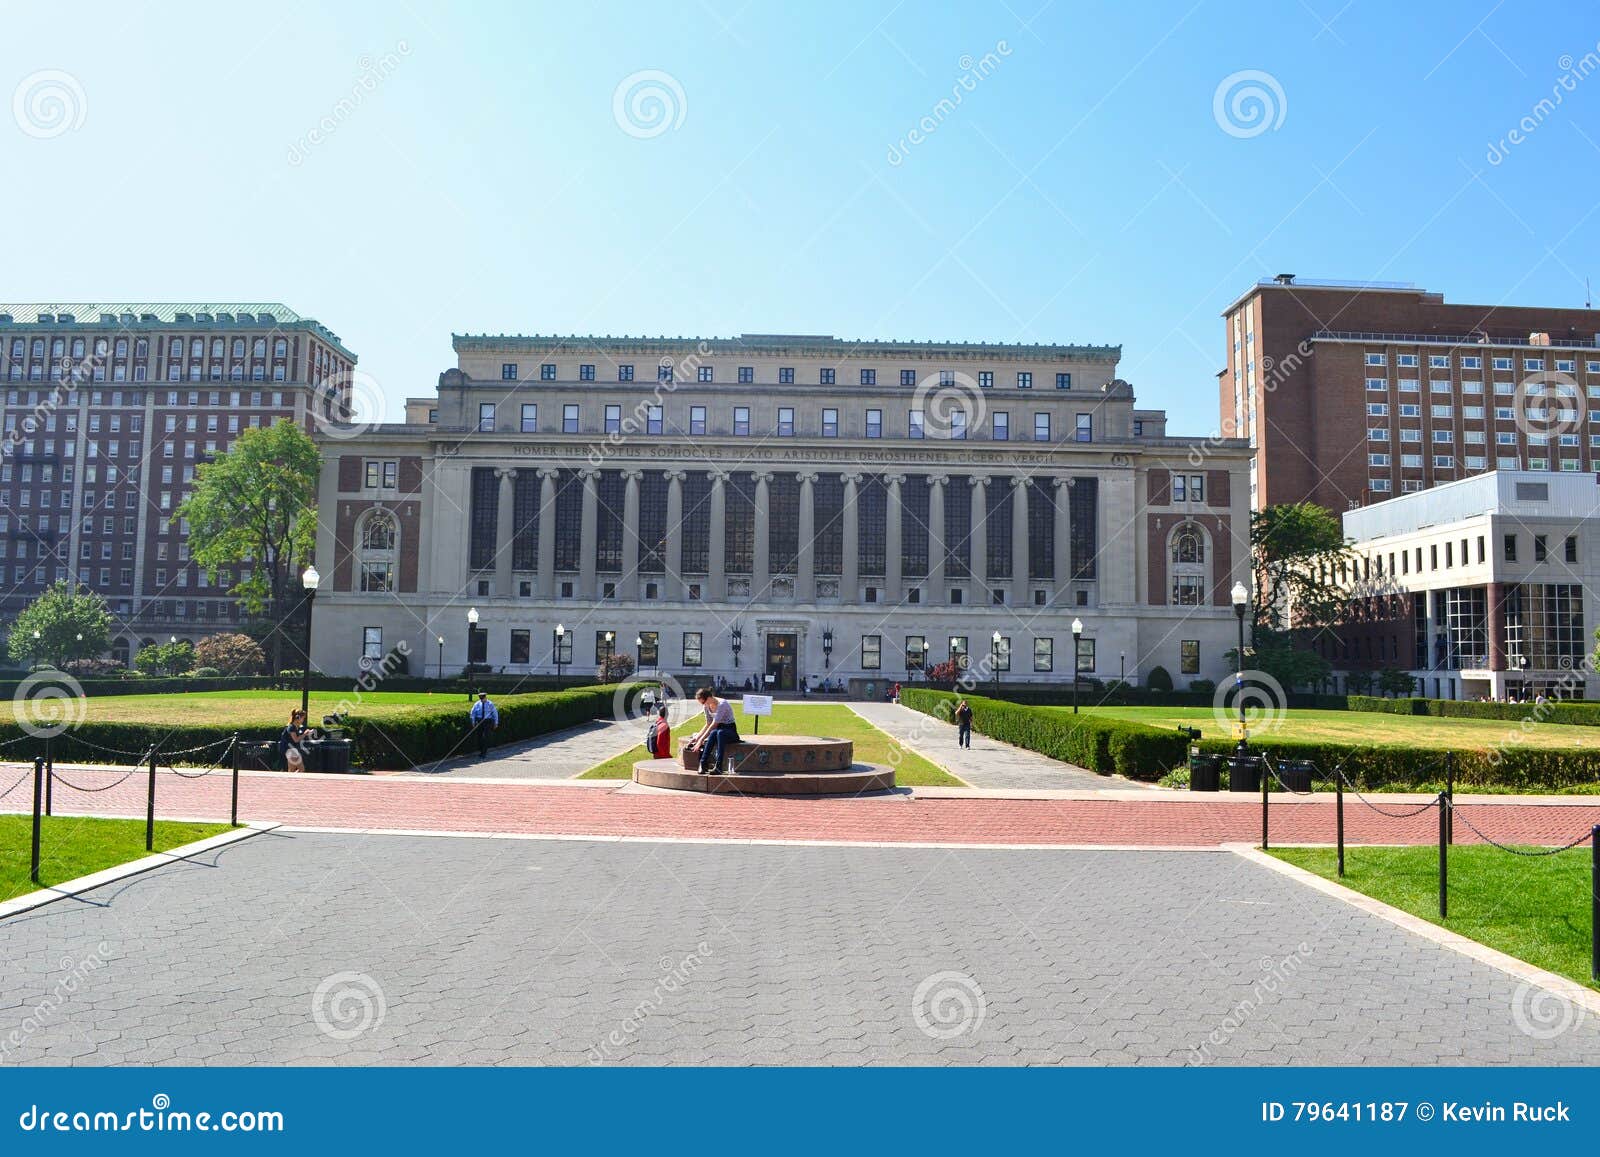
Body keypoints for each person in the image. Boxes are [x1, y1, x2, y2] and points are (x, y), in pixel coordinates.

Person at [686, 686, 739, 774]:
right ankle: (703, 764)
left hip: (730, 731)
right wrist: (697, 738)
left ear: (709, 698)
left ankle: (719, 766)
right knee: (715, 732)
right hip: (718, 730)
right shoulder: (706, 707)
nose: (703, 705)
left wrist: (701, 740)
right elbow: (708, 724)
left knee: (719, 732)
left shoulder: (722, 704)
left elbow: (714, 724)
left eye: (704, 702)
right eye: (701, 703)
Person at [469, 691, 499, 759]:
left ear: (485, 697)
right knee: (479, 737)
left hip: (487, 722)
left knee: (485, 737)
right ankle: (481, 751)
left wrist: (496, 723)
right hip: (479, 721)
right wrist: (473, 722)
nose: (482, 700)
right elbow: (473, 713)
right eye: (480, 699)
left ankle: (484, 752)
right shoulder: (477, 704)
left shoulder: (490, 704)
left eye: (483, 698)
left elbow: (495, 713)